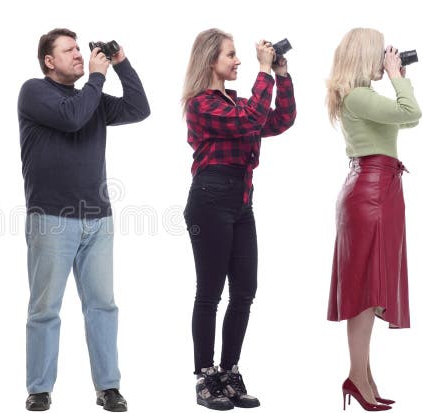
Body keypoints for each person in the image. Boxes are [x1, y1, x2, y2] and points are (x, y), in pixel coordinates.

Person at [17, 28, 150, 412]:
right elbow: (73, 118)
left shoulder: (90, 97)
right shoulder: (34, 92)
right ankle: (39, 389)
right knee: (45, 308)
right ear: (48, 61)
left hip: (98, 219)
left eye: (80, 49)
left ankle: (108, 387)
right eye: (69, 50)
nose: (79, 54)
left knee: (102, 306)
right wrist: (96, 76)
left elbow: (139, 108)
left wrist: (121, 63)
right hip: (52, 219)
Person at [180, 28, 296, 410]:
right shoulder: (200, 104)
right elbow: (248, 122)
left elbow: (280, 119)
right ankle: (205, 376)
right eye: (230, 55)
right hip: (210, 199)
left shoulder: (239, 102)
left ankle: (229, 372)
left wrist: (280, 73)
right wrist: (264, 70)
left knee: (245, 291)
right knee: (209, 293)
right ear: (210, 60)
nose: (238, 61)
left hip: (242, 201)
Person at [326, 27, 421, 412]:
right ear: (365, 55)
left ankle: (363, 374)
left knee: (369, 289)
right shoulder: (359, 96)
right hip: (372, 193)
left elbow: (407, 120)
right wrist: (398, 77)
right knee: (365, 292)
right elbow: (412, 111)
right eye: (380, 51)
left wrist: (400, 78)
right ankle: (357, 375)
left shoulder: (364, 97)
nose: (387, 56)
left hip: (378, 189)